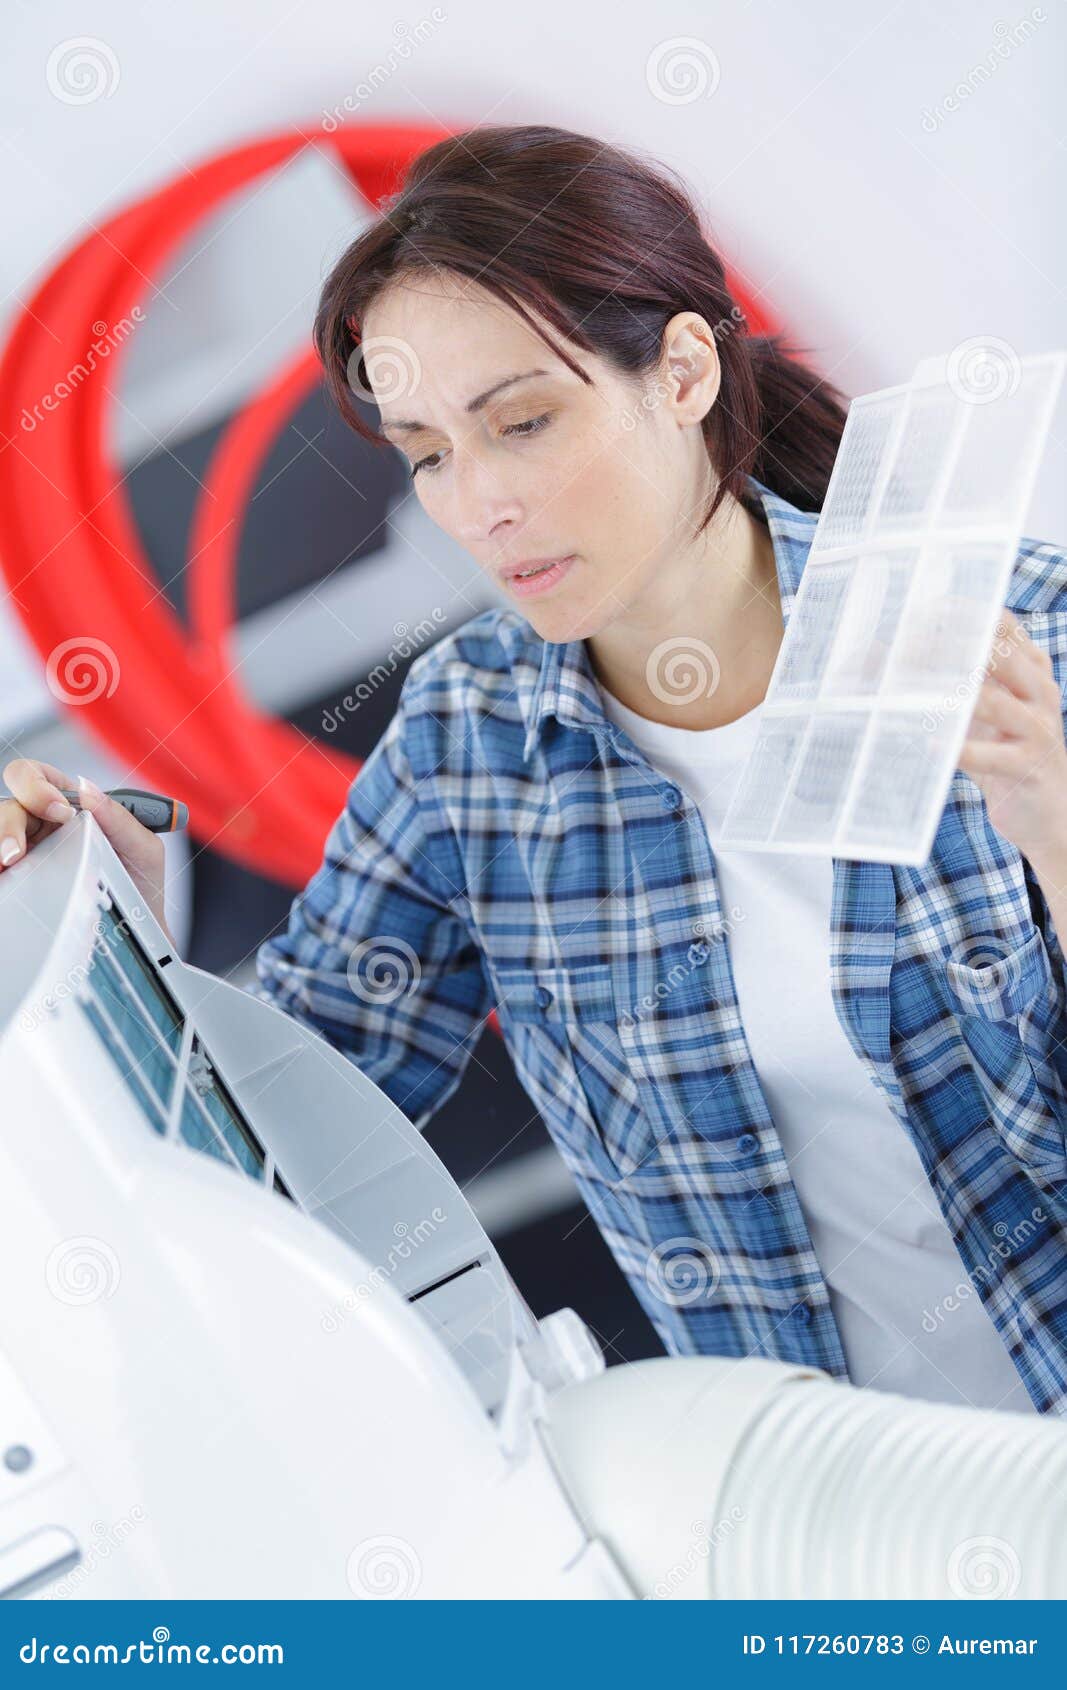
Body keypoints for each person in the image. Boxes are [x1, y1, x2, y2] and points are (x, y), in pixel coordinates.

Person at [4, 124, 1067, 1416]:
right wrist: (126, 932)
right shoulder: (470, 751)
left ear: (682, 370)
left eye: (523, 421)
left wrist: (1057, 828)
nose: (477, 505)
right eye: (429, 452)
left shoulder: (1016, 629)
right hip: (822, 1530)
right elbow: (278, 1141)